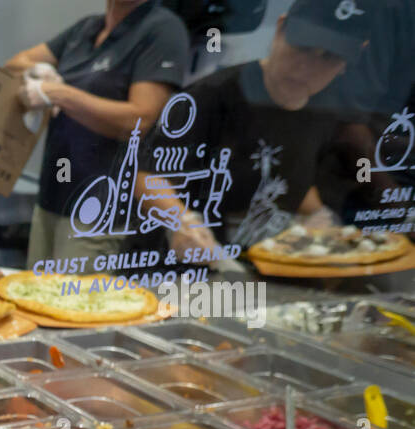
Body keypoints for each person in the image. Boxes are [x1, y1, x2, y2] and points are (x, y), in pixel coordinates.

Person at [140, 0, 372, 257]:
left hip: (260, 264)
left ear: (350, 61)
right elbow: (146, 174)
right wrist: (180, 221)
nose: (306, 67)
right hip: (176, 268)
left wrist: (318, 217)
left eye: (329, 57)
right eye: (303, 47)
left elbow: (289, 176)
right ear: (281, 29)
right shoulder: (211, 96)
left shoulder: (328, 112)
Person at [4, 0, 188, 268]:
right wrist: (39, 72)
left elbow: (140, 119)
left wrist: (62, 94)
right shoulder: (87, 29)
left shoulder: (162, 30)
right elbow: (14, 64)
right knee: (31, 299)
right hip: (51, 198)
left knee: (73, 307)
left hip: (97, 212)